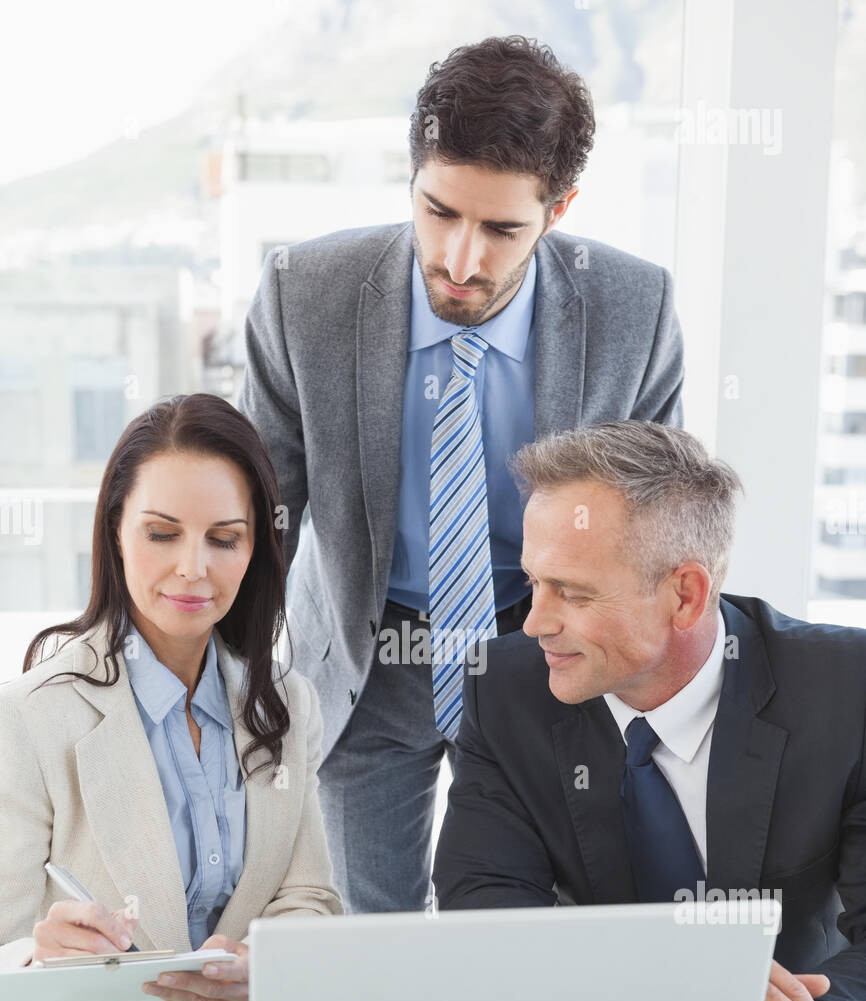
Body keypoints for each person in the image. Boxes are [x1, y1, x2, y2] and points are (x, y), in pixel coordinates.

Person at [237, 34, 684, 914]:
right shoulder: (304, 295)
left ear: (559, 211)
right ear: (412, 179)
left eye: (503, 228)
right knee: (374, 931)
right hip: (370, 657)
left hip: (545, 646)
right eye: (439, 211)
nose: (461, 259)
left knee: (531, 932)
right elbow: (259, 521)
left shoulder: (635, 309)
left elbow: (656, 530)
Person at [432, 420, 866, 1001]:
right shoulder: (505, 686)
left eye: (572, 593)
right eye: (532, 583)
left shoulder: (845, 689)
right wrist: (687, 995)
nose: (535, 621)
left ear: (686, 595)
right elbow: (486, 919)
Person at [0, 393, 342, 1001]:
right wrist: (36, 956)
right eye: (162, 534)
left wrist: (265, 964)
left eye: (224, 539)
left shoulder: (290, 705)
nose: (193, 568)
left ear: (255, 548)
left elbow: (310, 896)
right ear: (116, 535)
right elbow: (4, 945)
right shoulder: (29, 717)